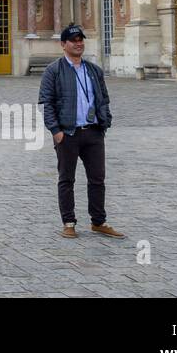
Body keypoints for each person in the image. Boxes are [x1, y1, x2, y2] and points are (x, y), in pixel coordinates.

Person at [38, 25, 124, 239]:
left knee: (97, 179)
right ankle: (68, 222)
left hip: (94, 132)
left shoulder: (93, 70)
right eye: (74, 40)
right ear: (63, 44)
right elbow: (46, 103)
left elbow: (103, 99)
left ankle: (99, 221)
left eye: (81, 40)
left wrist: (105, 121)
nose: (78, 43)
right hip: (68, 133)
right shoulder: (53, 70)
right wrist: (56, 132)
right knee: (66, 179)